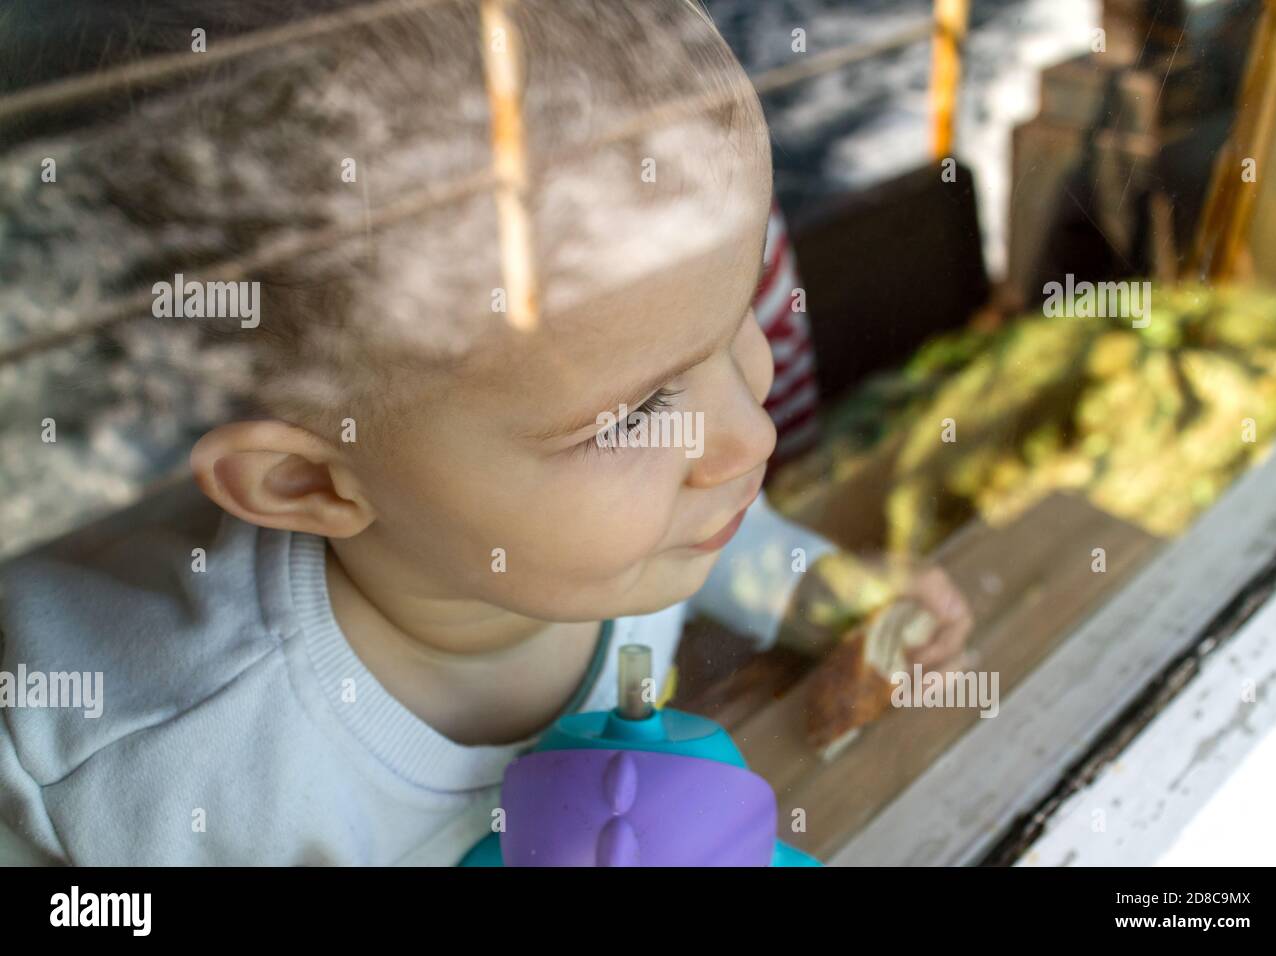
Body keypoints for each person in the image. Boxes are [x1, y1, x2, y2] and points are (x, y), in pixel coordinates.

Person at [0, 0, 970, 865]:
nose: (745, 439)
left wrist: (820, 593)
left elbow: (714, 541)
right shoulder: (158, 779)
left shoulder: (608, 530)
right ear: (308, 484)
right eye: (635, 412)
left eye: (732, 328)